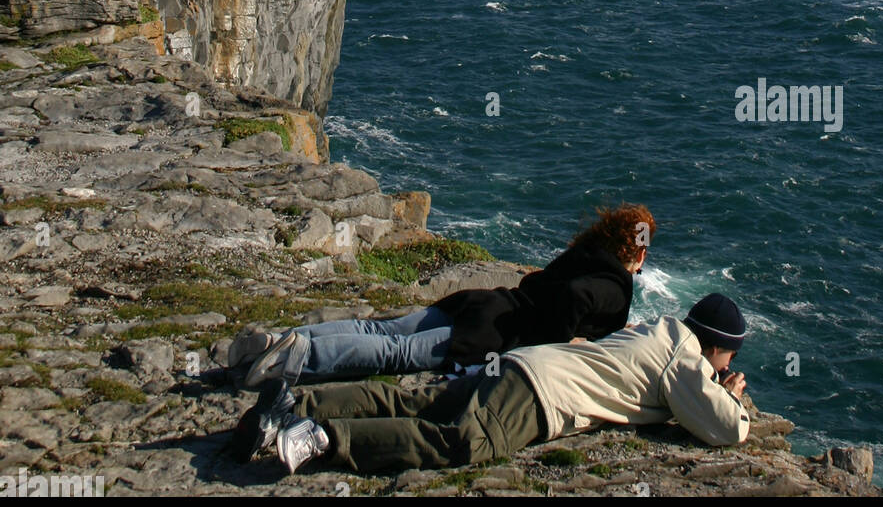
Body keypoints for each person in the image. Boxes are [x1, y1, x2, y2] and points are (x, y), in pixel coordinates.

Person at [230, 292, 750, 472]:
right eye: (728, 355)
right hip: (539, 398)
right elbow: (726, 429)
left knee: (421, 400)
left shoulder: (653, 330)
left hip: (522, 363)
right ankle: (322, 439)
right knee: (460, 440)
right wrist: (728, 397)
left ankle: (298, 401)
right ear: (717, 348)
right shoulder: (685, 360)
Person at [226, 203, 656, 390]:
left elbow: (551, 287)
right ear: (636, 250)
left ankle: (284, 339)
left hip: (483, 301)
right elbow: (576, 301)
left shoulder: (584, 255)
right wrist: (564, 342)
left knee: (378, 328)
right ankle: (292, 359)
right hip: (490, 333)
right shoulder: (616, 286)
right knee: (395, 354)